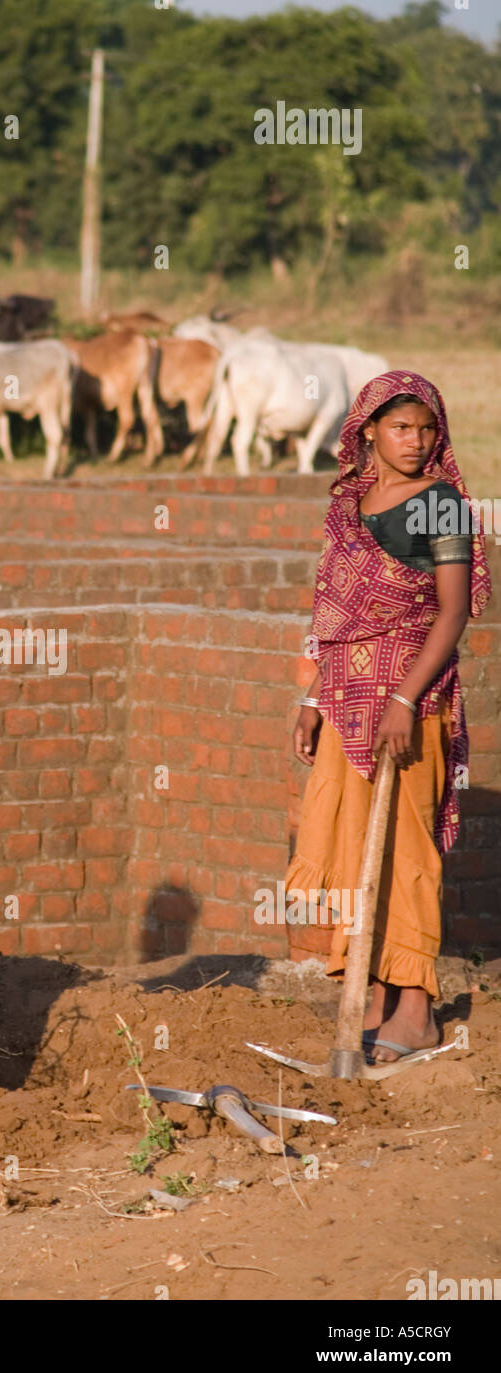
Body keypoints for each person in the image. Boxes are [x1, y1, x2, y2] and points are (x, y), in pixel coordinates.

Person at [286, 371, 491, 1063]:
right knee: (351, 845)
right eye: (400, 427)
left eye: (426, 428)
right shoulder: (349, 503)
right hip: (344, 694)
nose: (415, 440)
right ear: (367, 430)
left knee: (405, 851)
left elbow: (452, 612)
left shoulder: (441, 507)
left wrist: (403, 698)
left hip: (408, 696)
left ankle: (415, 1010)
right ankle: (369, 991)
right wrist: (312, 698)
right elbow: (332, 611)